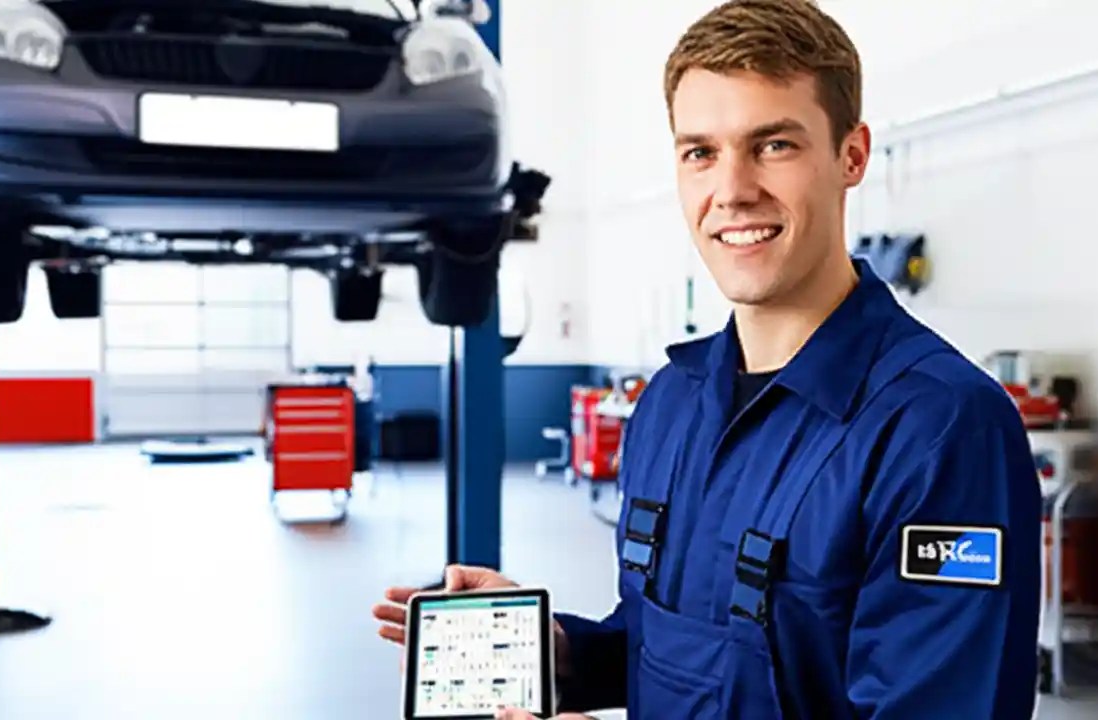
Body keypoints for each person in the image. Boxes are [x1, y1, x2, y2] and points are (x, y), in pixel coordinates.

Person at [373, 0, 1042, 717]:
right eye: (701, 152)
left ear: (852, 156)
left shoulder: (939, 430)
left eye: (774, 145)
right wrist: (555, 652)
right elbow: (670, 651)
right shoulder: (671, 403)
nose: (732, 191)